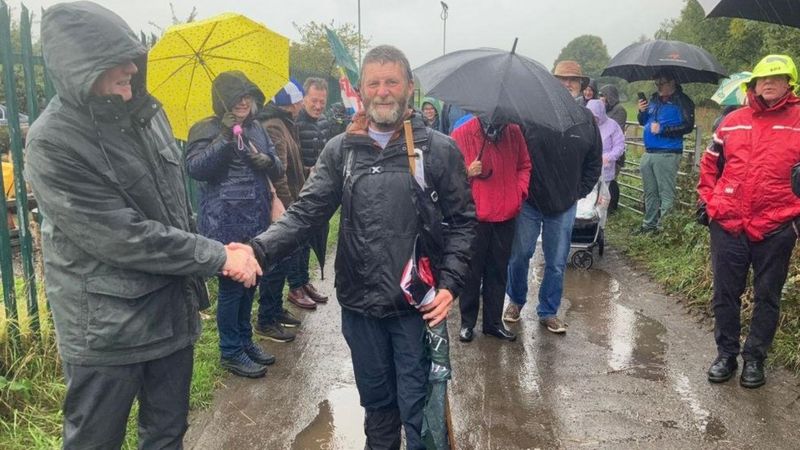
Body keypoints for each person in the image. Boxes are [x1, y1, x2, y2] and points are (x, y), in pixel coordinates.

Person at [25, 2, 261, 448]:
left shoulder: (150, 116)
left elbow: (174, 209)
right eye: (118, 58)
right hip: (107, 332)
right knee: (95, 441)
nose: (133, 66)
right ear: (79, 64)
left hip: (170, 317)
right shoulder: (53, 141)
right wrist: (217, 256)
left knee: (168, 434)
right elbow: (123, 236)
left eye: (133, 56)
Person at [248, 45, 476, 449]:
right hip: (360, 308)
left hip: (416, 310)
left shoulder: (438, 150)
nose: (383, 91)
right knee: (378, 409)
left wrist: (450, 285)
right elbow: (305, 213)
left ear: (408, 88)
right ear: (361, 89)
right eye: (374, 82)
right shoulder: (342, 150)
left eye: (392, 82)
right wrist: (257, 251)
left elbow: (462, 223)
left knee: (419, 414)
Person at [698, 54, 800, 389]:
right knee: (725, 293)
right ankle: (726, 354)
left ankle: (755, 358)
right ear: (752, 84)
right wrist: (710, 202)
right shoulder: (733, 121)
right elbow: (710, 164)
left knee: (767, 295)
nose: (768, 83)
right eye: (762, 79)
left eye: (777, 77)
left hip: (777, 226)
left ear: (790, 82)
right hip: (728, 222)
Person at [187, 71, 284, 379]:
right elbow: (196, 169)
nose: (244, 102)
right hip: (224, 222)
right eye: (237, 97)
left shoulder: (256, 128)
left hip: (255, 219)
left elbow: (278, 166)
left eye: (248, 96)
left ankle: (244, 340)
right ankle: (230, 350)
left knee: (251, 282)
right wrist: (224, 138)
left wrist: (268, 163)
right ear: (223, 101)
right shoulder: (204, 129)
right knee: (232, 287)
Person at [504, 63, 602, 333]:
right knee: (520, 254)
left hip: (564, 205)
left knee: (557, 262)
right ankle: (515, 300)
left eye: (573, 80)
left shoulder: (586, 120)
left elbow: (594, 162)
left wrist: (577, 192)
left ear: (582, 86)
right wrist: (521, 188)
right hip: (530, 202)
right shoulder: (530, 116)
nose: (567, 84)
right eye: (561, 79)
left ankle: (548, 311)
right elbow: (514, 153)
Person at [452, 116, 530, 343]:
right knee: (471, 272)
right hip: (475, 216)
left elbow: (524, 165)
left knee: (498, 271)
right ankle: (467, 323)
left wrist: (518, 194)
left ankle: (493, 323)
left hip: (506, 214)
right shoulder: (462, 133)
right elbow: (448, 173)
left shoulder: (514, 132)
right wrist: (467, 171)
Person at [255, 79, 313, 343]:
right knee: (276, 264)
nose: (302, 104)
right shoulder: (274, 128)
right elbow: (279, 174)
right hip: (283, 208)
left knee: (284, 261)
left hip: (291, 203)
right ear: (289, 104)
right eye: (299, 99)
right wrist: (289, 210)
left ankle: (276, 310)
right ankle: (266, 318)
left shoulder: (285, 124)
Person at [636, 69, 695, 233]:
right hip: (649, 151)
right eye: (656, 83)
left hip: (668, 152)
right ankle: (649, 225)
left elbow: (688, 126)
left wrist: (663, 129)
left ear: (672, 82)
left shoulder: (683, 101)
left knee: (666, 193)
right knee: (650, 192)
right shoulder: (654, 99)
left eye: (661, 83)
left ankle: (664, 229)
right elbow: (644, 121)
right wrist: (641, 112)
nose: (658, 87)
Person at [296, 77, 332, 304]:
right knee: (298, 240)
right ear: (303, 99)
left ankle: (304, 281)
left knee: (314, 239)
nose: (318, 106)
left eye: (322, 102)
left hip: (319, 191)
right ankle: (296, 286)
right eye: (313, 101)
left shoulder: (325, 123)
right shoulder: (294, 123)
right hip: (299, 191)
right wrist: (306, 169)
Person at [599, 84, 628, 212]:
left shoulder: (619, 110)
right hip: (605, 151)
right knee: (606, 181)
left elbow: (616, 127)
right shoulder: (607, 109)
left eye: (604, 95)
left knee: (612, 180)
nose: (602, 98)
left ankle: (612, 206)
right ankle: (608, 205)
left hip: (614, 151)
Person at [586, 99, 625, 192]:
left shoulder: (612, 125)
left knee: (602, 198)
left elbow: (619, 145)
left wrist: (609, 156)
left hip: (605, 169)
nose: (593, 119)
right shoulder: (585, 125)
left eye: (595, 116)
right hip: (587, 170)